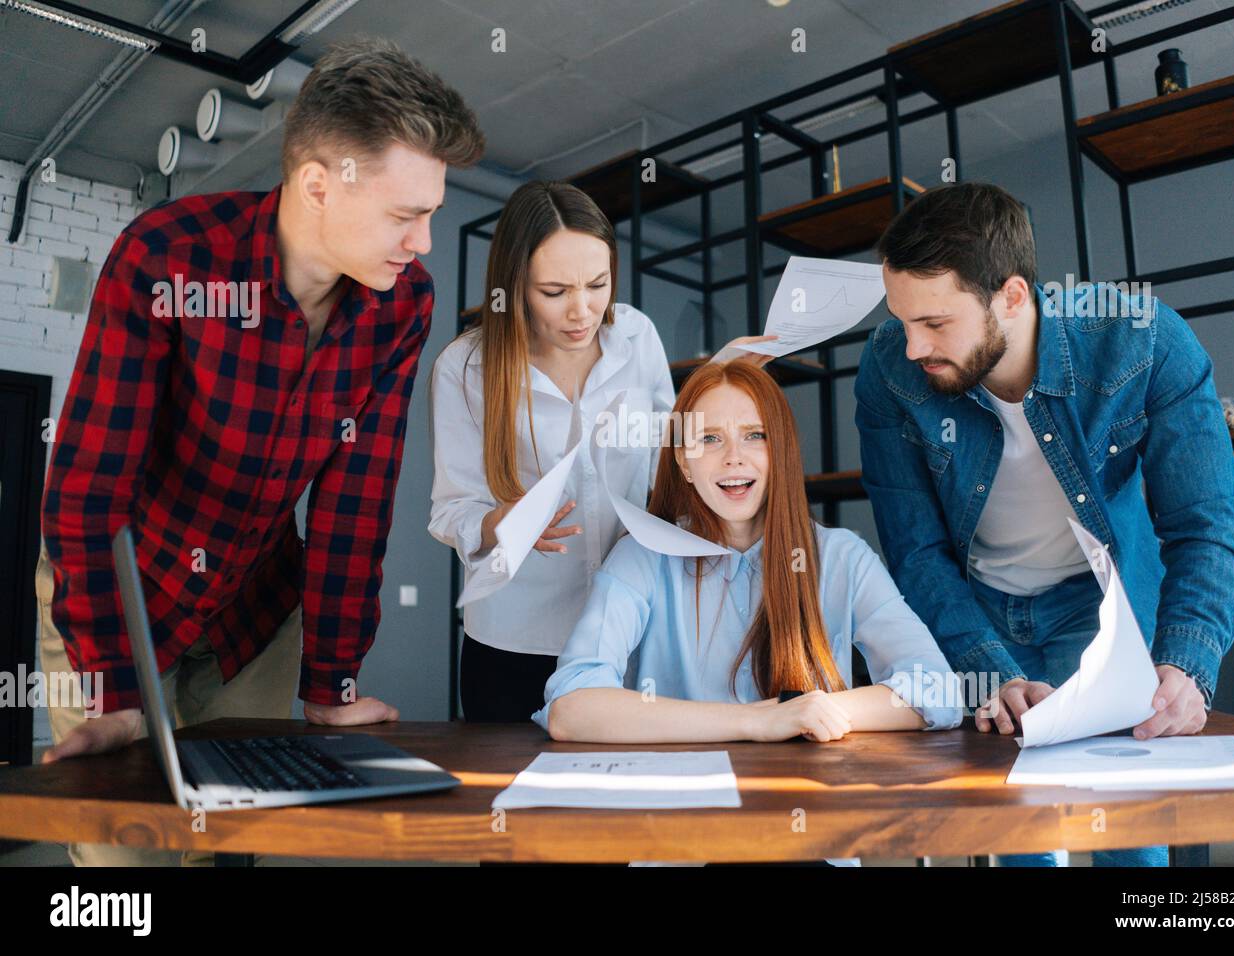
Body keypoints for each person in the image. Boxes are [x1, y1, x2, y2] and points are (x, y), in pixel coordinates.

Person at [35, 37, 485, 866]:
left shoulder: (402, 305)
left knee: (231, 841)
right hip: (124, 593)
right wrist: (116, 684)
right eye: (405, 215)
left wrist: (332, 683)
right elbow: (90, 490)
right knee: (126, 853)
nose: (424, 242)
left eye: (431, 212)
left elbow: (357, 503)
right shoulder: (167, 258)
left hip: (258, 606)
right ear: (318, 184)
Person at [853, 181, 1234, 867]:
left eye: (935, 324)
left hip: (1099, 613)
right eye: (901, 319)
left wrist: (1188, 664)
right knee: (1023, 838)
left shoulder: (1144, 342)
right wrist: (986, 668)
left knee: (1125, 837)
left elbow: (1205, 526)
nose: (911, 347)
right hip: (979, 612)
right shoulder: (890, 369)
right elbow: (915, 552)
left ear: (1011, 296)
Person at [535, 361, 962, 867]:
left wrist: (816, 712)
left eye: (754, 435)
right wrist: (755, 722)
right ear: (684, 462)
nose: (733, 457)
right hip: (680, 843)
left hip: (810, 839)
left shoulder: (841, 556)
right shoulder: (641, 556)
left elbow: (938, 690)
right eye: (710, 439)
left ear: (780, 451)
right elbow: (572, 707)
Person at [428, 181, 772, 722]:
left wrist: (724, 397)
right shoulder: (465, 368)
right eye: (555, 291)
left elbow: (672, 458)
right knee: (513, 799)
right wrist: (505, 521)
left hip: (628, 630)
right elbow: (451, 511)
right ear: (514, 284)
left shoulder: (637, 336)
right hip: (515, 641)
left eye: (597, 284)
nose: (582, 311)